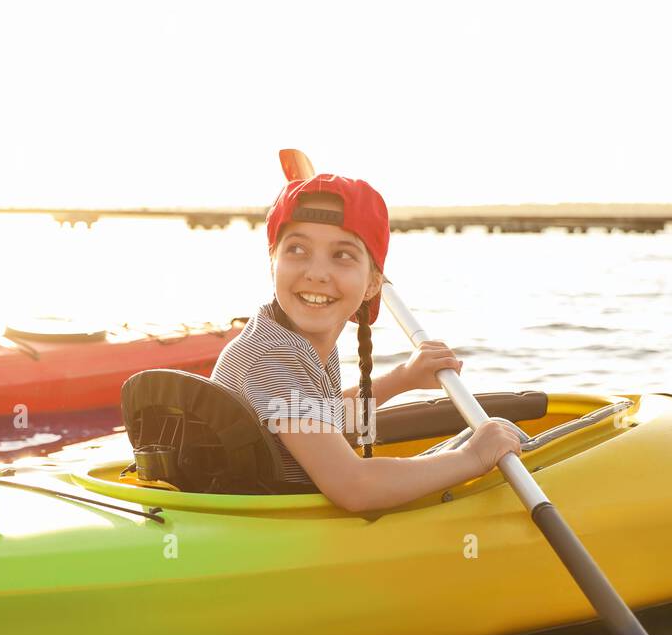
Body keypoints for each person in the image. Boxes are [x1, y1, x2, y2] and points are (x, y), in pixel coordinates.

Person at [211, 171, 521, 512]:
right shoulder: (273, 356)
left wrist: (402, 379)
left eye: (342, 255)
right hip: (270, 535)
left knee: (503, 430)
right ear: (273, 263)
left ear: (373, 285)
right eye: (297, 249)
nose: (316, 272)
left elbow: (322, 418)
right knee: (496, 439)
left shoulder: (291, 335)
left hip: (282, 515)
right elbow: (354, 487)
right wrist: (473, 457)